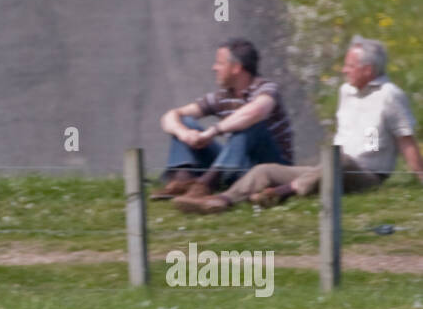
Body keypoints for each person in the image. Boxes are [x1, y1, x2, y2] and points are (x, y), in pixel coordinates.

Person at [176, 36, 423, 214]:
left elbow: (405, 139)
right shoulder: (346, 91)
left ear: (367, 70)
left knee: (340, 160)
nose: (344, 70)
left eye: (350, 65)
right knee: (265, 170)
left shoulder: (390, 95)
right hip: (328, 167)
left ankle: (283, 192)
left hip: (366, 175)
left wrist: (419, 175)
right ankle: (221, 200)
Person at [150, 38, 293, 202]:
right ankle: (182, 182)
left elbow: (256, 112)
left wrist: (213, 131)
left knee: (251, 125)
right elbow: (171, 115)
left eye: (219, 63)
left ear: (236, 68)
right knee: (186, 122)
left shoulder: (267, 89)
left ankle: (206, 184)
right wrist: (184, 134)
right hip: (239, 166)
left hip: (272, 168)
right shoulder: (222, 96)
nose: (214, 68)